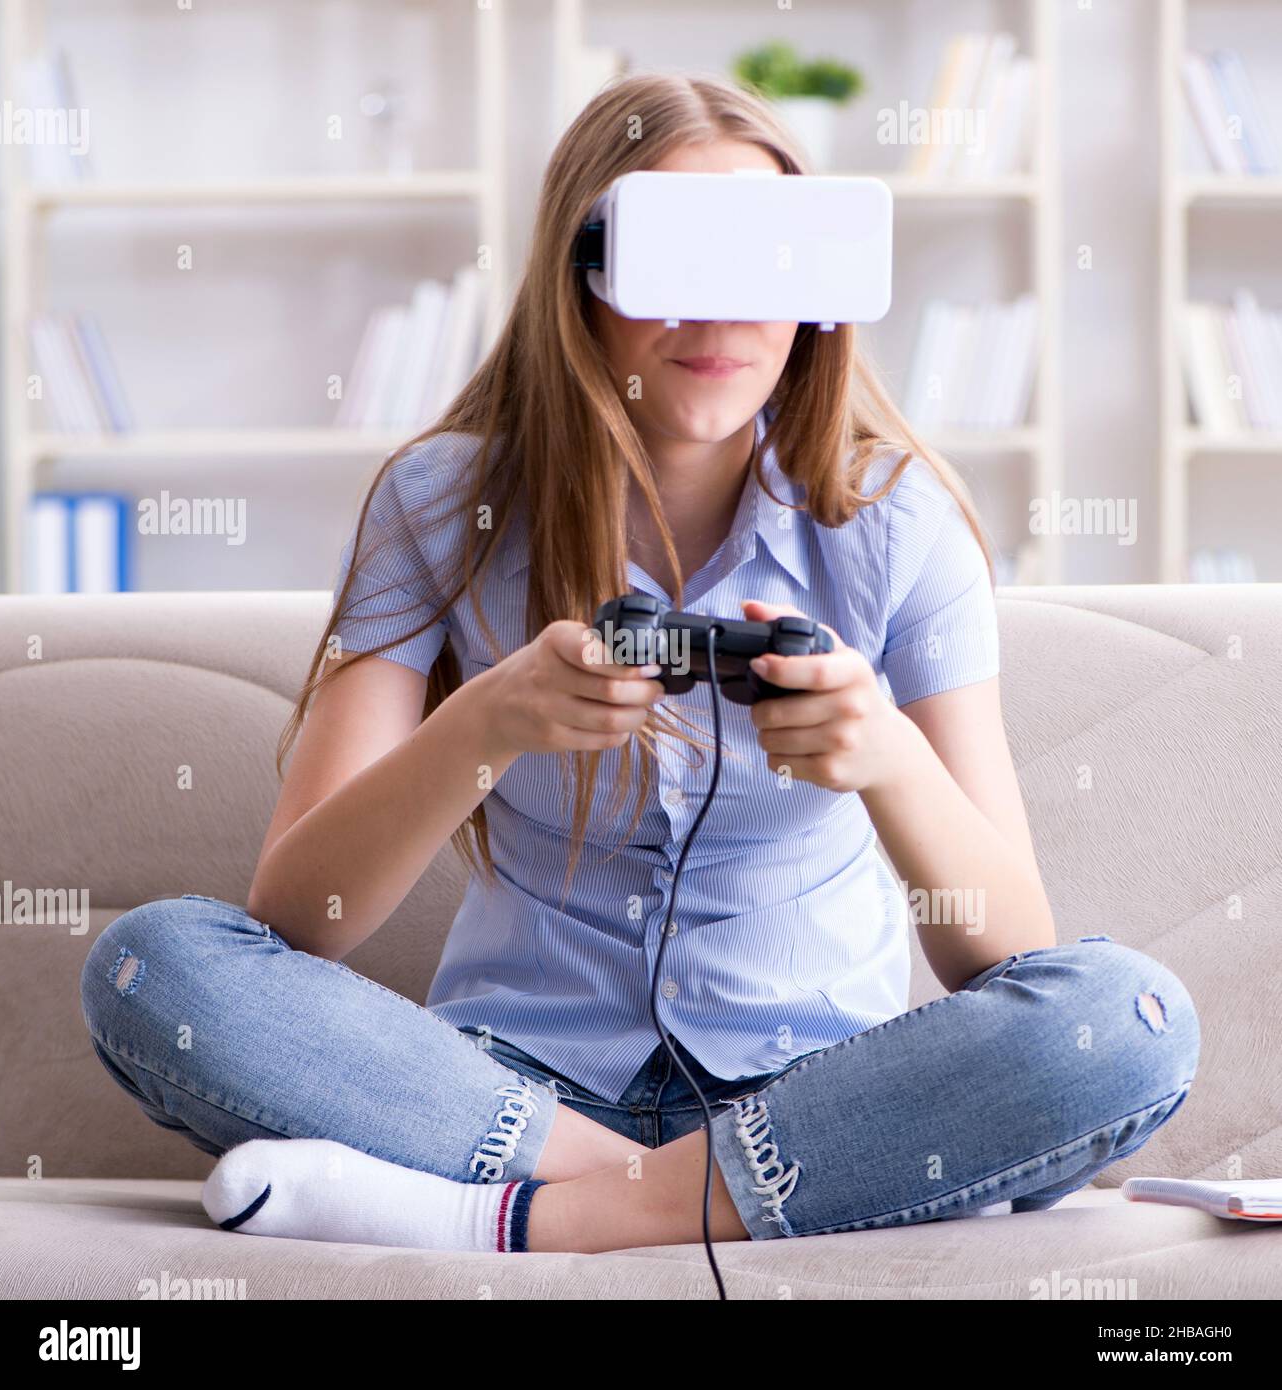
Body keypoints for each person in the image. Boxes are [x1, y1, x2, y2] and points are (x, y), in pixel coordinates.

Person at [80, 72, 1198, 1257]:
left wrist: (888, 758)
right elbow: (298, 920)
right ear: (585, 279)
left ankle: (507, 1223)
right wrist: (486, 723)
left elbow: (1010, 950)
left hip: (814, 1084)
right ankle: (724, 1197)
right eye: (675, 265)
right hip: (517, 1089)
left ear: (816, 291)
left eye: (762, 264)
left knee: (1128, 1019)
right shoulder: (439, 503)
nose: (717, 319)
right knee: (155, 965)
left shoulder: (895, 522)